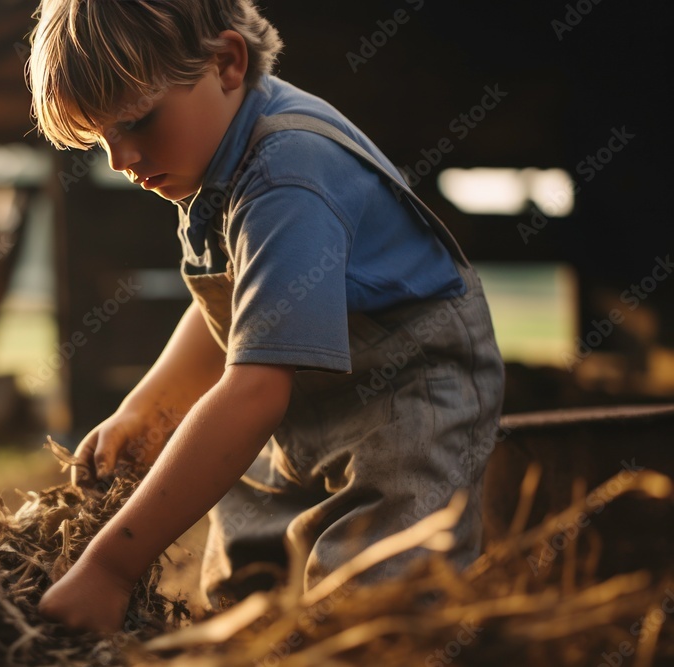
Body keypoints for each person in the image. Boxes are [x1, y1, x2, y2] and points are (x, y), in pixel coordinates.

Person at [28, 0, 505, 633]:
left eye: (136, 121)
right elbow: (240, 311)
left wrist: (111, 569)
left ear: (226, 62)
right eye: (101, 140)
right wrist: (148, 404)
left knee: (370, 614)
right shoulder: (213, 160)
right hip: (303, 409)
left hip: (405, 400)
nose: (120, 160)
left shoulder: (286, 174)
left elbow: (253, 391)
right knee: (246, 591)